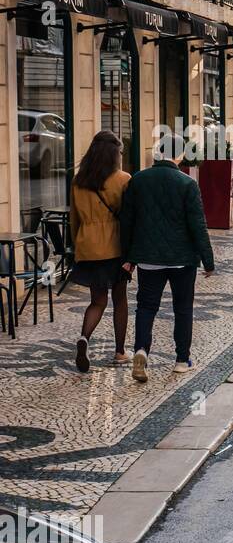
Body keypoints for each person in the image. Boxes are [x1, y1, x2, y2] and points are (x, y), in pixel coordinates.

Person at [119, 150, 215, 383]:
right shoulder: (187, 183)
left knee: (146, 306)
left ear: (156, 154)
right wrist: (208, 260)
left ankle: (141, 350)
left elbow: (126, 221)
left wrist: (128, 257)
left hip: (149, 259)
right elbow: (198, 225)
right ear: (180, 155)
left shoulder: (138, 180)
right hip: (182, 260)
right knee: (183, 308)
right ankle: (182, 360)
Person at [68, 131, 132, 372]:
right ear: (115, 154)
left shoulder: (78, 181)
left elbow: (74, 219)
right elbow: (129, 218)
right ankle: (119, 352)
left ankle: (84, 337)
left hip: (88, 247)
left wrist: (78, 246)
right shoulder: (123, 179)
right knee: (120, 299)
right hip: (115, 248)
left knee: (97, 301)